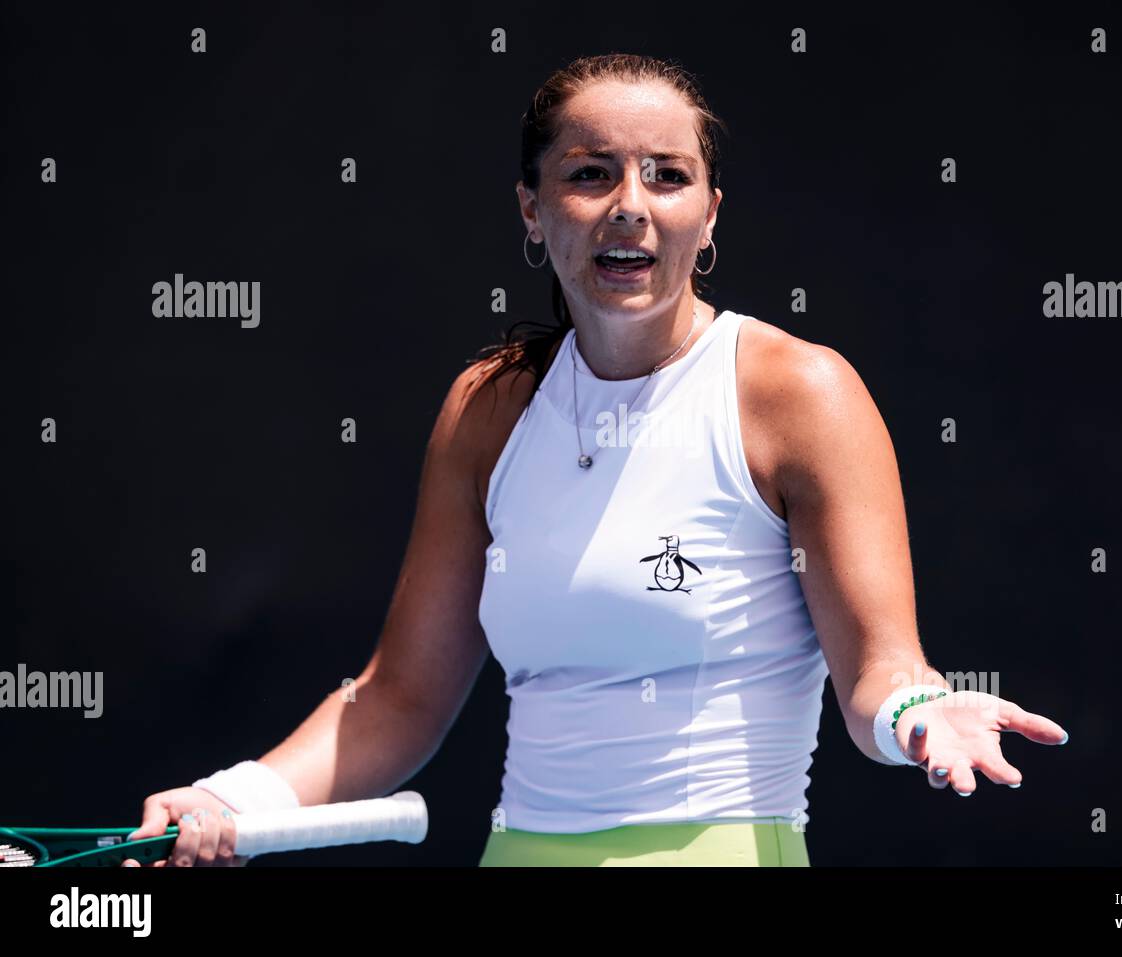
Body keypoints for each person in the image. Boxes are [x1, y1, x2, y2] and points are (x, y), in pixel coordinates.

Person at [123, 53, 1067, 868]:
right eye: (591, 174)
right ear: (533, 211)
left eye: (666, 175)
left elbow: (879, 669)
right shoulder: (489, 406)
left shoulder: (801, 393)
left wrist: (920, 714)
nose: (630, 208)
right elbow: (395, 699)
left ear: (709, 215)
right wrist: (236, 795)